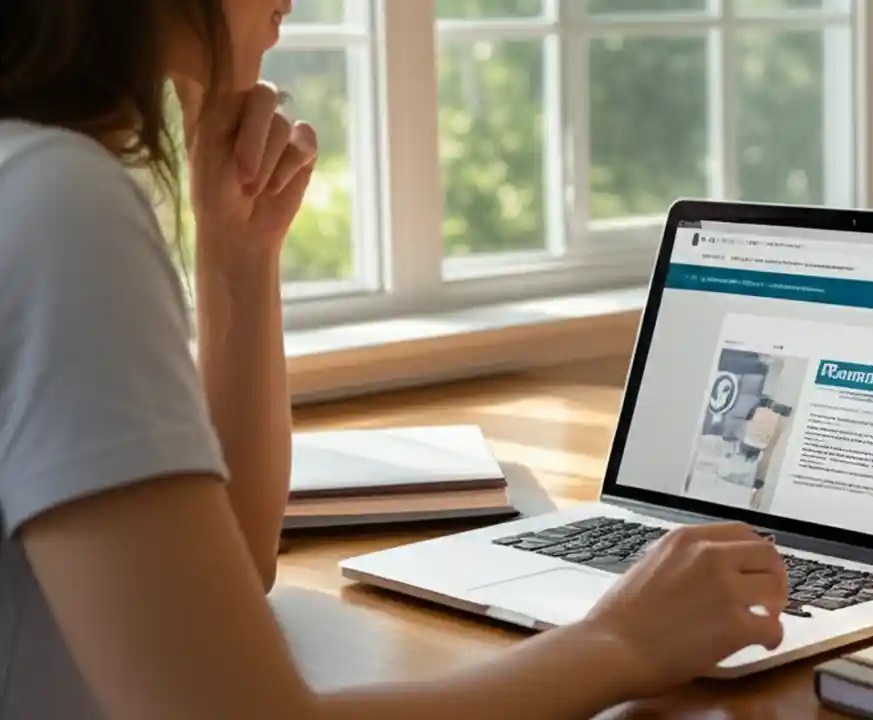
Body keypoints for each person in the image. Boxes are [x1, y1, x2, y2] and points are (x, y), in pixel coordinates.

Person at [0, 1, 789, 717]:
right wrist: (619, 644)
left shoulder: (32, 175)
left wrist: (239, 253)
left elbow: (223, 574)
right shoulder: (59, 202)